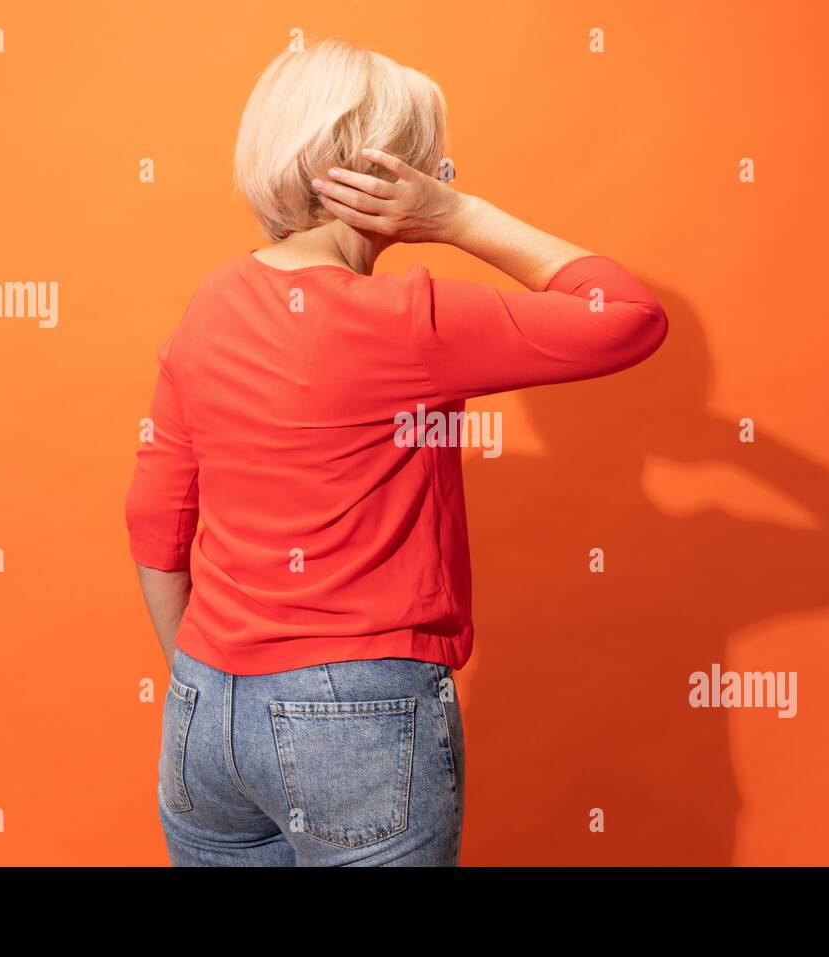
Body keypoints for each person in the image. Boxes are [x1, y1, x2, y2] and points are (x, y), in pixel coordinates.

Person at [124, 37, 668, 866]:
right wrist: (461, 218)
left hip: (204, 706)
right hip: (357, 715)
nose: (440, 183)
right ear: (389, 180)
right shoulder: (411, 320)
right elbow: (628, 314)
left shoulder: (210, 304)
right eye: (435, 170)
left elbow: (154, 518)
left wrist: (207, 683)